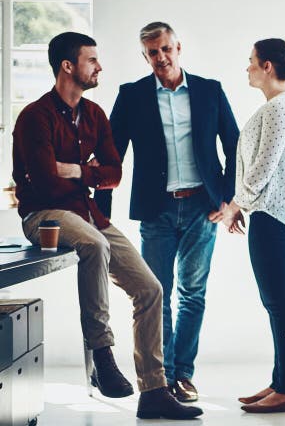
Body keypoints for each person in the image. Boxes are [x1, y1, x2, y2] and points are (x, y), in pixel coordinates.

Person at [12, 32, 202, 420]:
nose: (100, 67)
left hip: (88, 216)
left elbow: (114, 173)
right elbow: (46, 183)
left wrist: (78, 170)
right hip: (44, 216)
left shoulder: (95, 114)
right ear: (69, 66)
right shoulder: (35, 117)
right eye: (92, 60)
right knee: (94, 246)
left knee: (151, 289)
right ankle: (101, 352)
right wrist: (90, 174)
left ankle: (153, 392)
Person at [94, 22, 240, 402]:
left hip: (201, 207)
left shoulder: (210, 90)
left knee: (193, 293)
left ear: (178, 48)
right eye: (152, 53)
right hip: (156, 209)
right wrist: (99, 215)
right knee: (156, 293)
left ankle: (183, 374)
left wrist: (225, 198)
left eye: (165, 49)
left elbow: (234, 144)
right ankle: (164, 376)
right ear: (145, 56)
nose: (160, 58)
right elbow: (112, 155)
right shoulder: (133, 95)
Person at [220, 38, 285, 413]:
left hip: (273, 216)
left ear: (267, 66)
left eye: (251, 61)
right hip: (267, 214)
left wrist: (235, 205)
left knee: (278, 303)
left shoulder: (280, 108)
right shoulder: (275, 108)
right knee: (275, 303)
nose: (247, 68)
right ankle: (280, 381)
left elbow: (263, 167)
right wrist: (242, 205)